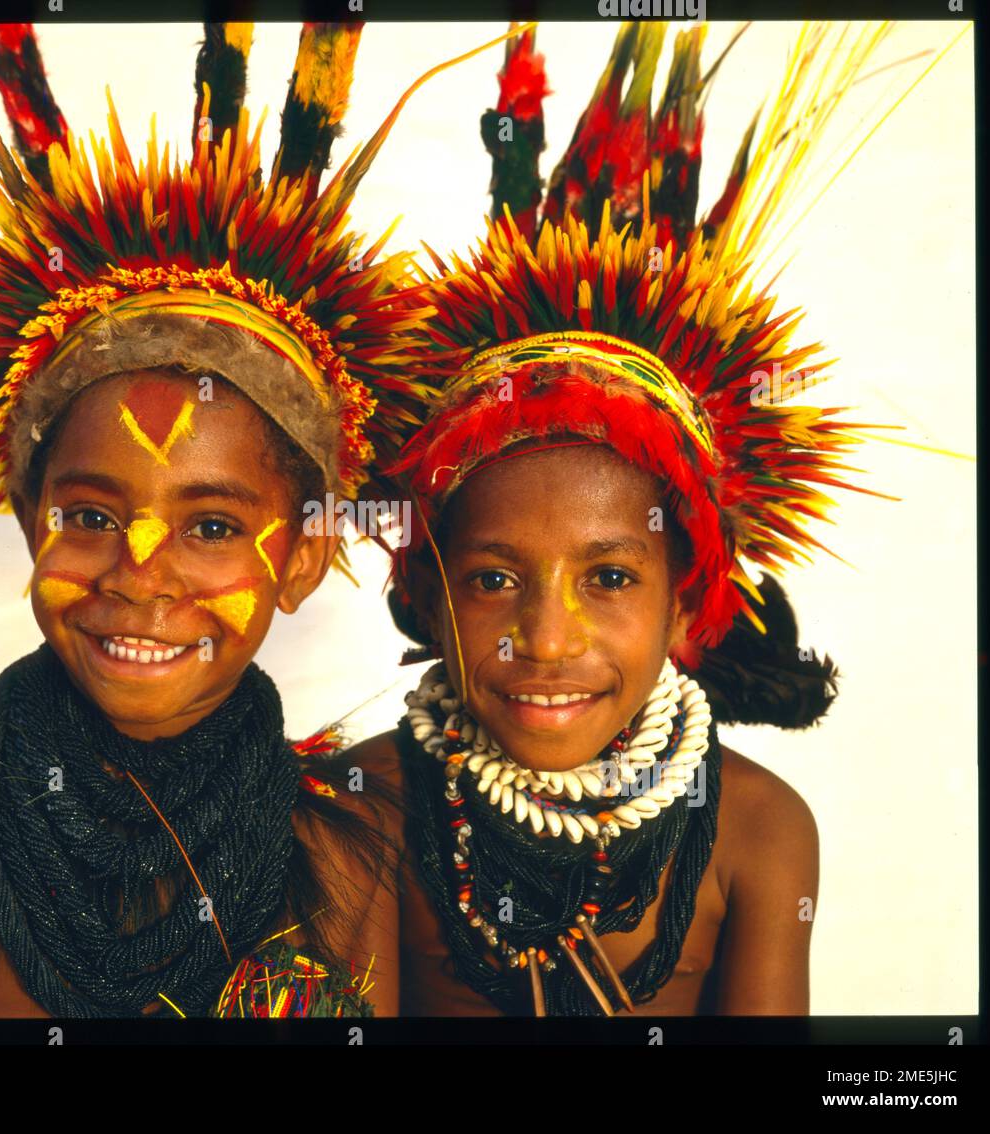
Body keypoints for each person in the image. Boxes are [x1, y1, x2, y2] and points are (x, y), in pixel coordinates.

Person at [0, 20, 521, 1020]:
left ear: (301, 558)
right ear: (28, 519)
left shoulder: (340, 843)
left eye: (211, 526)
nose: (137, 575)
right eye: (88, 514)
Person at [348, 21, 905, 1016]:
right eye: (490, 577)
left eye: (608, 576)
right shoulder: (359, 810)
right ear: (427, 597)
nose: (549, 637)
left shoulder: (760, 833)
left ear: (687, 606)